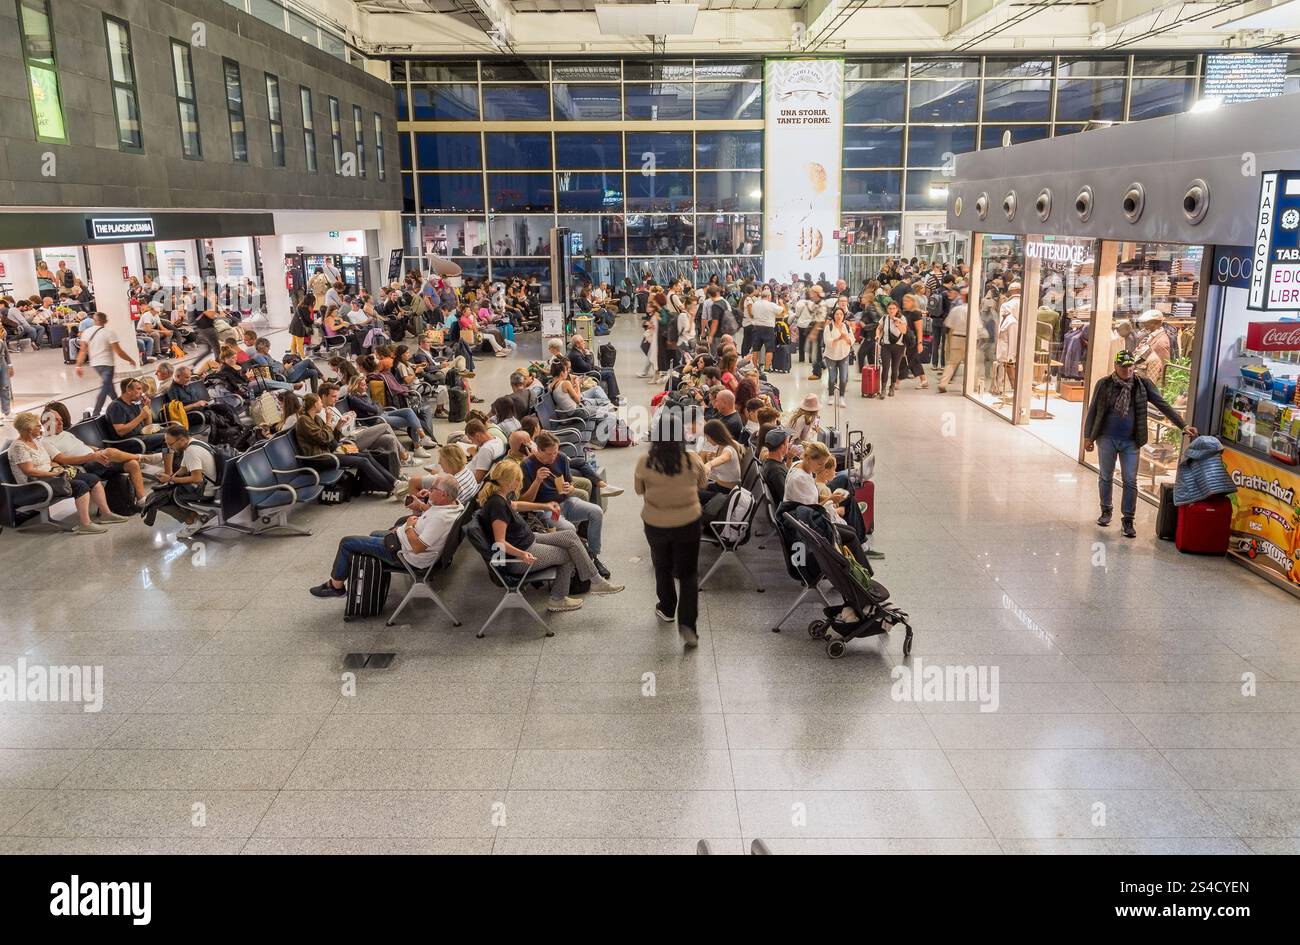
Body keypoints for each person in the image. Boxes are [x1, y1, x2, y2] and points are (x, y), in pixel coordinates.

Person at [477, 459, 623, 614]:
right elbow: (500, 543)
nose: (520, 483)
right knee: (568, 554)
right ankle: (559, 598)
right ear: (511, 481)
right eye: (518, 479)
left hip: (528, 540)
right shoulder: (497, 506)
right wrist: (522, 554)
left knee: (569, 536)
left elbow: (517, 505)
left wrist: (545, 505)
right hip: (519, 557)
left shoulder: (500, 496)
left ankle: (595, 580)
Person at [1084, 350, 1196, 538]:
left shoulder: (1142, 385)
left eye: (1130, 366)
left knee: (1130, 480)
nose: (1128, 370)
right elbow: (1093, 409)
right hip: (1106, 438)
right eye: (1123, 366)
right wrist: (1088, 437)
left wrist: (1183, 425)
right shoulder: (1104, 384)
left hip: (1131, 441)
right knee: (1105, 476)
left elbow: (1163, 404)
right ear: (1116, 366)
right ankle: (1106, 511)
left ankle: (1128, 519)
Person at [310, 473, 464, 598]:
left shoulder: (440, 519)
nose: (430, 490)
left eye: (433, 488)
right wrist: (423, 504)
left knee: (347, 542)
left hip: (406, 555)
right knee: (373, 534)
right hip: (403, 542)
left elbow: (417, 547)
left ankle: (335, 587)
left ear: (443, 494)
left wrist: (409, 526)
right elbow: (432, 517)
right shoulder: (454, 505)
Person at [635, 415, 708, 648]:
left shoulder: (645, 461)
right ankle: (688, 626)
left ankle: (667, 608)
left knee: (662, 565)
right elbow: (703, 484)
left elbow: (639, 489)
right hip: (688, 521)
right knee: (688, 574)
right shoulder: (692, 460)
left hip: (656, 522)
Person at [6, 412, 125, 534]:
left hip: (50, 476)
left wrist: (58, 468)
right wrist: (53, 474)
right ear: (28, 429)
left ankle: (106, 513)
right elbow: (29, 471)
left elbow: (48, 461)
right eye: (37, 426)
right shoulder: (18, 447)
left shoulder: (35, 441)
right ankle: (85, 524)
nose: (40, 428)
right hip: (35, 484)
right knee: (80, 486)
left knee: (92, 478)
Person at [521, 431, 614, 578]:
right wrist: (537, 481)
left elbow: (570, 485)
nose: (554, 457)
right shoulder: (527, 465)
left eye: (556, 452)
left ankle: (593, 555)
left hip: (566, 501)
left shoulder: (561, 458)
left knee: (596, 511)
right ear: (539, 450)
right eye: (550, 454)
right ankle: (588, 561)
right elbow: (525, 500)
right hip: (546, 509)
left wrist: (569, 488)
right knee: (569, 528)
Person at [40, 401, 148, 508]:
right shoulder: (46, 442)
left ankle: (141, 500)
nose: (61, 422)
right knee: (109, 452)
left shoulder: (66, 433)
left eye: (61, 419)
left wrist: (96, 450)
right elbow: (63, 460)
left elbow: (82, 446)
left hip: (95, 458)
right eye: (56, 421)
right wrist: (92, 456)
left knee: (132, 464)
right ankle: (144, 458)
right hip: (85, 465)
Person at [295, 393, 401, 495]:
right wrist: (328, 421)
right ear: (315, 405)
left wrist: (338, 427)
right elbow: (324, 438)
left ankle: (395, 482)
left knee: (367, 455)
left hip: (329, 452)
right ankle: (390, 487)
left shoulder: (316, 418)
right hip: (319, 458)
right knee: (363, 461)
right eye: (320, 402)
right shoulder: (303, 421)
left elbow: (331, 439)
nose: (322, 404)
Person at [75, 312, 137, 416]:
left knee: (110, 388)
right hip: (108, 364)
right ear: (106, 321)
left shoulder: (86, 332)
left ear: (94, 320)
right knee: (105, 387)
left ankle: (121, 406)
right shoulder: (109, 332)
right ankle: (96, 413)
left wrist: (78, 365)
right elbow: (118, 351)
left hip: (95, 364)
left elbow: (82, 351)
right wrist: (130, 359)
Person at [822, 302, 854, 408]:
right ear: (833, 316)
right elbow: (827, 342)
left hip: (844, 354)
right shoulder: (829, 327)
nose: (839, 316)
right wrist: (838, 338)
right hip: (831, 355)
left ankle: (842, 397)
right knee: (832, 377)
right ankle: (831, 396)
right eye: (837, 314)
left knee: (843, 378)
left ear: (843, 316)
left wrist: (846, 338)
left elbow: (852, 340)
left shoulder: (846, 327)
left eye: (841, 314)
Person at [875, 300, 908, 399]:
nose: (892, 310)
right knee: (885, 367)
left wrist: (898, 324)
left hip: (898, 346)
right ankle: (883, 389)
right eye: (890, 308)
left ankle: (892, 387)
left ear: (897, 309)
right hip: (886, 345)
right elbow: (879, 328)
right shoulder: (884, 318)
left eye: (894, 308)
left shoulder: (902, 318)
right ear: (887, 309)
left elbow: (904, 331)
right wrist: (877, 335)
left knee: (895, 368)